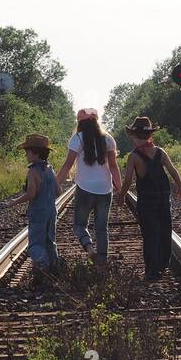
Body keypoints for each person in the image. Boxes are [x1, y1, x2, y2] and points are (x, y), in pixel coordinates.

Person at [118, 116, 181, 282]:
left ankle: (151, 270)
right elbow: (173, 170)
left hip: (146, 201)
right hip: (163, 198)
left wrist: (121, 196)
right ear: (149, 135)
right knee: (164, 231)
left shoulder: (133, 157)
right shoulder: (161, 152)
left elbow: (127, 181)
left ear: (134, 135)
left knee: (150, 234)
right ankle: (162, 265)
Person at [56, 107, 121, 263]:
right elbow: (113, 167)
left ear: (80, 123)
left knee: (79, 225)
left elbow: (67, 165)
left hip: (84, 189)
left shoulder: (77, 139)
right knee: (102, 228)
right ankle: (102, 262)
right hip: (105, 190)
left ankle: (90, 248)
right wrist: (120, 189)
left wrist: (55, 184)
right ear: (96, 121)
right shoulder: (108, 139)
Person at [8, 133, 59, 278]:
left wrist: (15, 202)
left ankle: (44, 269)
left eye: (27, 152)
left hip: (37, 212)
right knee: (50, 242)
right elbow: (58, 191)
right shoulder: (50, 169)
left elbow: (31, 194)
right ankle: (55, 268)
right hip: (51, 211)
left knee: (35, 244)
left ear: (35, 152)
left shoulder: (32, 171)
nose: (25, 155)